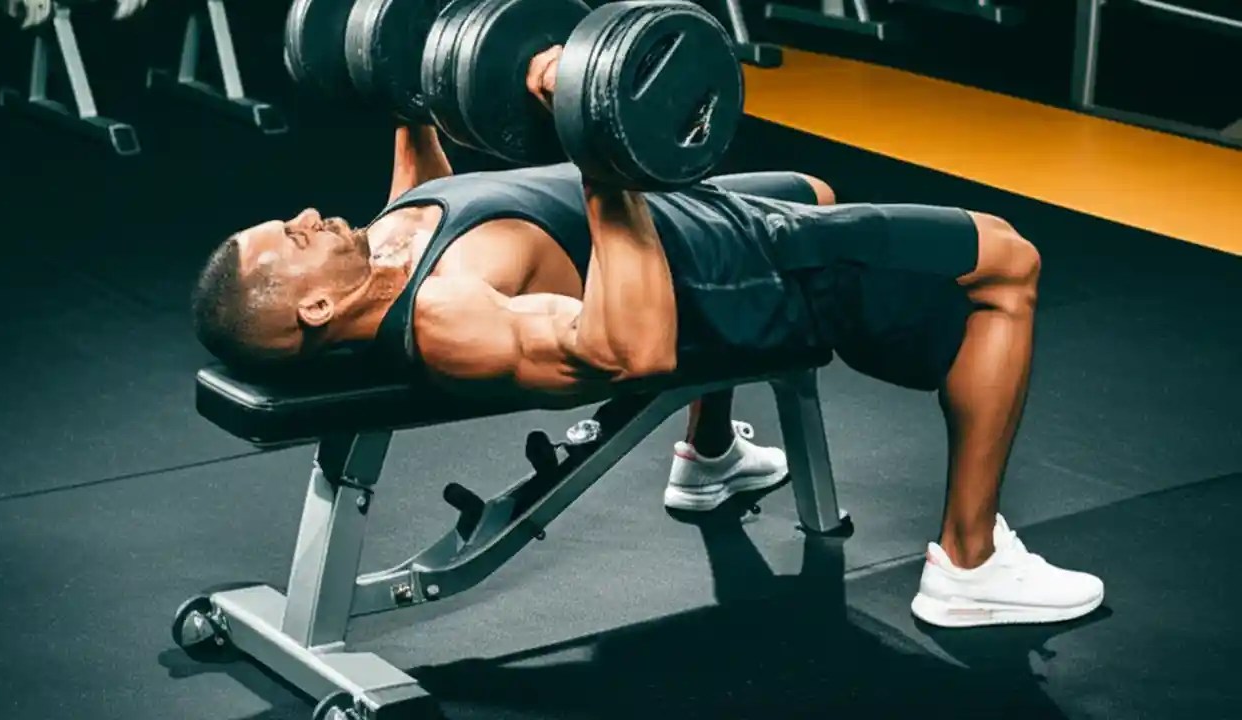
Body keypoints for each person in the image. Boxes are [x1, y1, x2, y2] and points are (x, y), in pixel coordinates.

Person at [190, 48, 1103, 628]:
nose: (308, 215)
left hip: (689, 217)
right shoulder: (447, 318)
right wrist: (597, 142)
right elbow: (632, 353)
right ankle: (971, 564)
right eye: (294, 241)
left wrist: (413, 89)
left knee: (818, 189)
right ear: (313, 313)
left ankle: (707, 457)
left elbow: (429, 187)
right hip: (728, 272)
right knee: (1006, 260)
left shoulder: (382, 249)